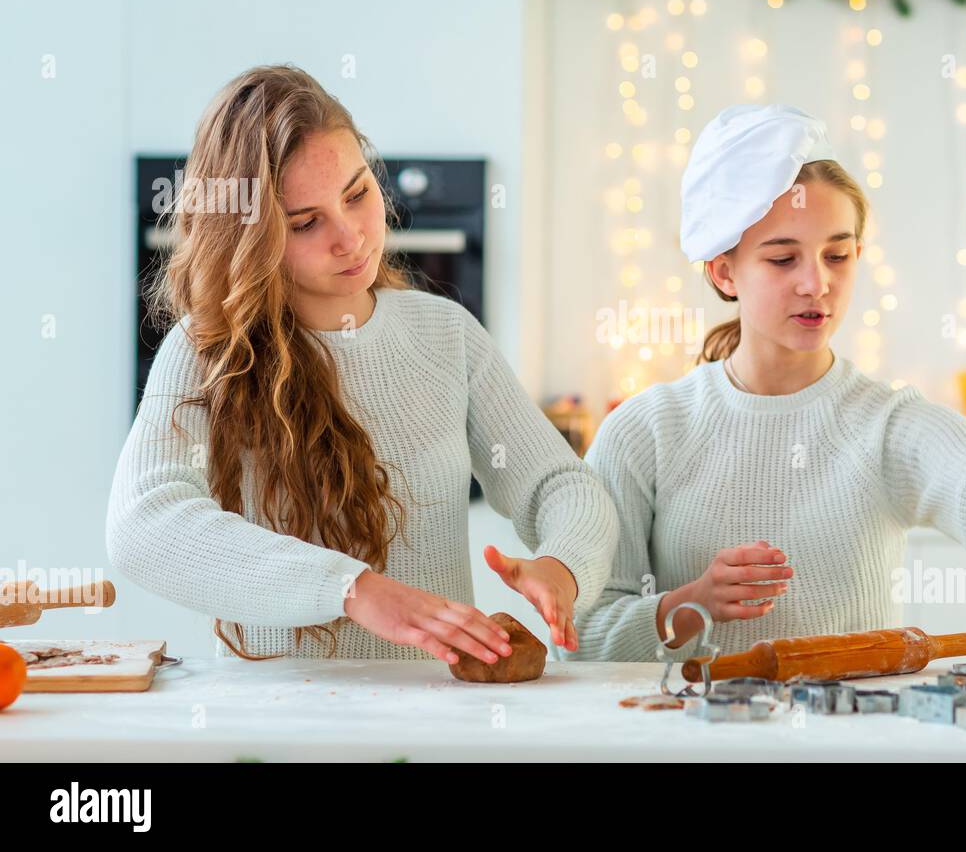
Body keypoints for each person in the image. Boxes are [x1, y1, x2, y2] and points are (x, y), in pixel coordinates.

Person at [564, 104, 966, 662]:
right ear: (724, 271)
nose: (816, 283)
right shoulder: (644, 432)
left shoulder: (888, 424)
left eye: (837, 256)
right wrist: (690, 606)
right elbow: (584, 634)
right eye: (782, 259)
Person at [106, 65, 617, 663]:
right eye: (305, 223)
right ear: (249, 235)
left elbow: (561, 484)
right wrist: (350, 590)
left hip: (438, 722)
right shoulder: (206, 352)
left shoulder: (445, 334)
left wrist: (561, 568)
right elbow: (142, 525)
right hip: (275, 731)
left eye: (356, 194)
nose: (350, 238)